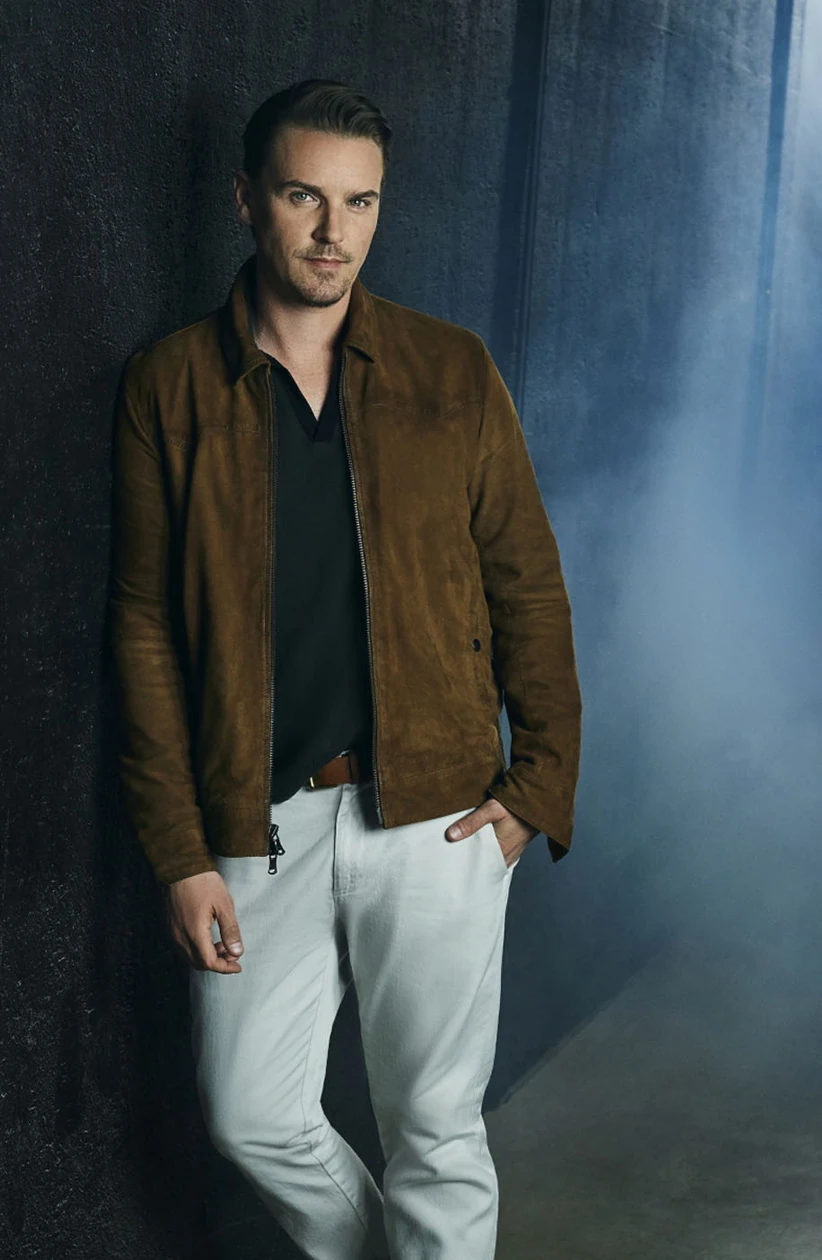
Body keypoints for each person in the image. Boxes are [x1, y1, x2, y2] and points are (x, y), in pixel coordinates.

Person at [109, 78, 582, 1260]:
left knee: (435, 1129)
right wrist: (179, 852)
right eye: (303, 197)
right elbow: (145, 629)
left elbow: (527, 582)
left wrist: (537, 790)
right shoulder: (170, 385)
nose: (334, 232)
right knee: (250, 1113)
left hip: (436, 817)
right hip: (256, 818)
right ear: (245, 200)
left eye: (359, 202)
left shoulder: (449, 371)